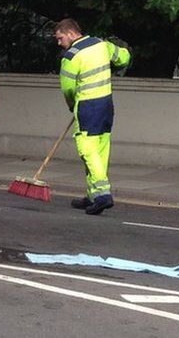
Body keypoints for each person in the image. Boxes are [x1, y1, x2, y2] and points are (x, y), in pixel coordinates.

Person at [53, 18, 131, 215]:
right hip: (106, 105)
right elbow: (124, 57)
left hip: (87, 107)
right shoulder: (101, 44)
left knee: (88, 151)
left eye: (60, 37)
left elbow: (68, 88)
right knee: (101, 150)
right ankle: (92, 195)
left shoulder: (71, 56)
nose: (59, 42)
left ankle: (103, 196)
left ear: (71, 34)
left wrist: (72, 106)